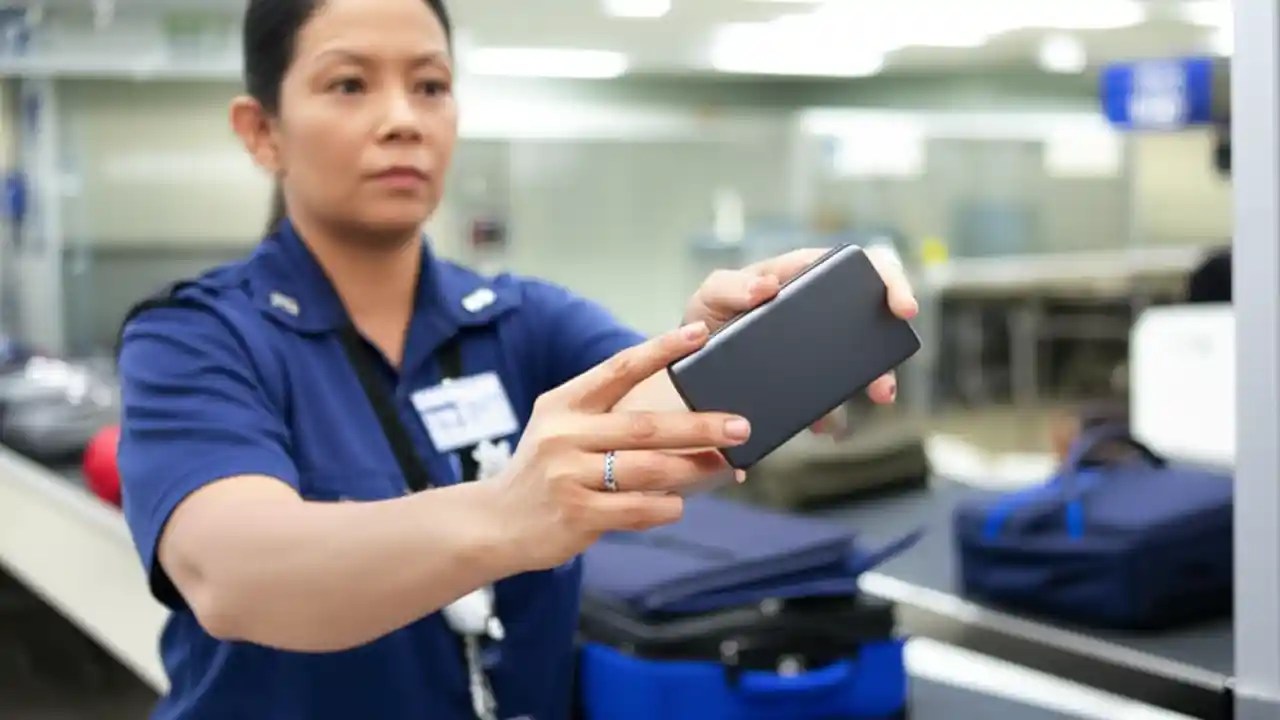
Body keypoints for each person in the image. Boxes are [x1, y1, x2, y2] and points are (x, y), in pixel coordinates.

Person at [114, 0, 920, 718]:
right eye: (349, 85)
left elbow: (676, 433)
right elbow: (234, 573)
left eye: (430, 85)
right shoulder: (195, 338)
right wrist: (507, 514)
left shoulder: (524, 321)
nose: (403, 119)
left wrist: (777, 340)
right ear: (263, 132)